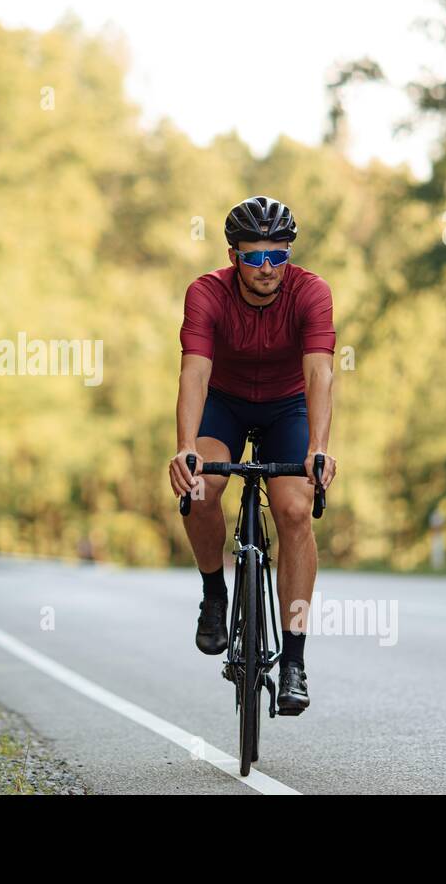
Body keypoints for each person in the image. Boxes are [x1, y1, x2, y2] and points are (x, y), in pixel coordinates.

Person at [168, 196, 337, 716]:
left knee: (292, 510)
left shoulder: (312, 293)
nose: (266, 269)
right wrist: (186, 448)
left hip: (288, 407)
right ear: (232, 255)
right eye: (253, 257)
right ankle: (214, 593)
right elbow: (194, 372)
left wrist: (318, 450)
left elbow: (319, 374)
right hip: (226, 403)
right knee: (200, 490)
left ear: (289, 255)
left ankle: (293, 661)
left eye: (277, 257)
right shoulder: (206, 293)